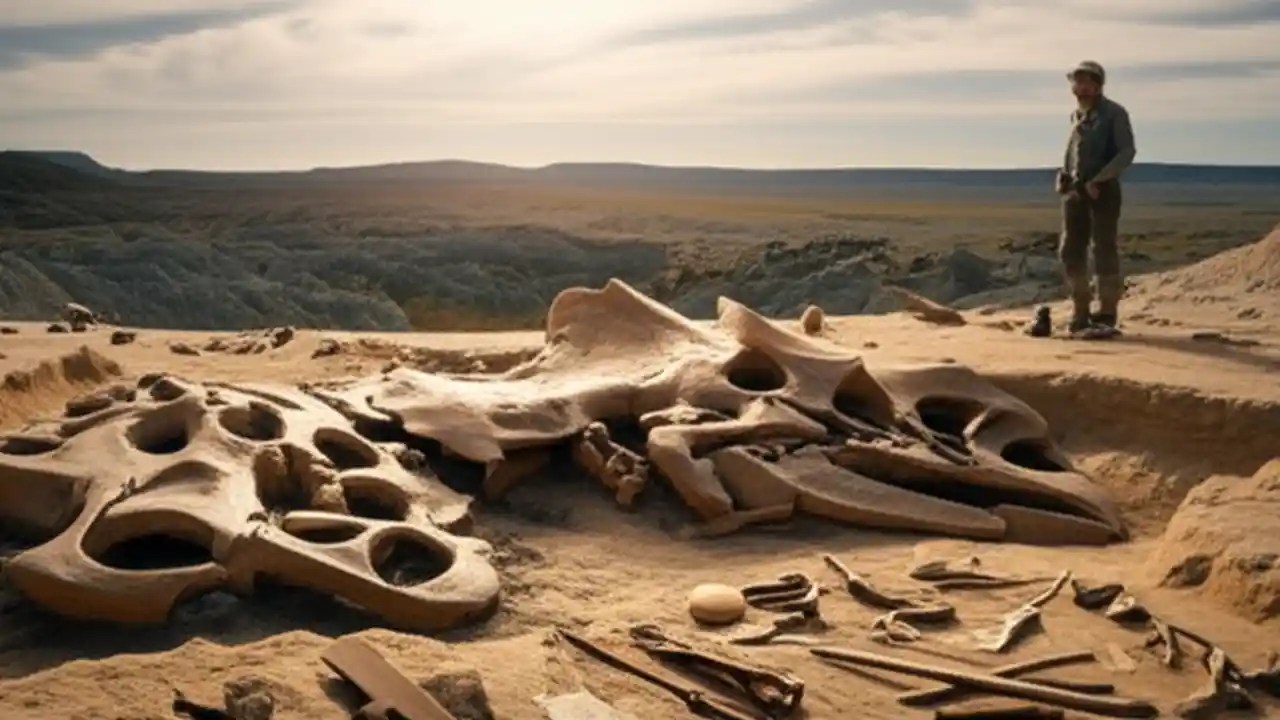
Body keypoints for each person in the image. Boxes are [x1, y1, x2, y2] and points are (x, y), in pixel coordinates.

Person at [1054, 60, 1136, 333]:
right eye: (1077, 82)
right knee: (1070, 249)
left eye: (1087, 82)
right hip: (1075, 191)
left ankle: (1107, 311)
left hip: (1103, 190)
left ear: (1098, 85)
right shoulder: (1076, 116)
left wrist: (1100, 178)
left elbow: (1126, 152)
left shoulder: (1114, 113)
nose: (1081, 87)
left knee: (1103, 248)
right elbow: (1073, 150)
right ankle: (1080, 309)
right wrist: (1063, 174)